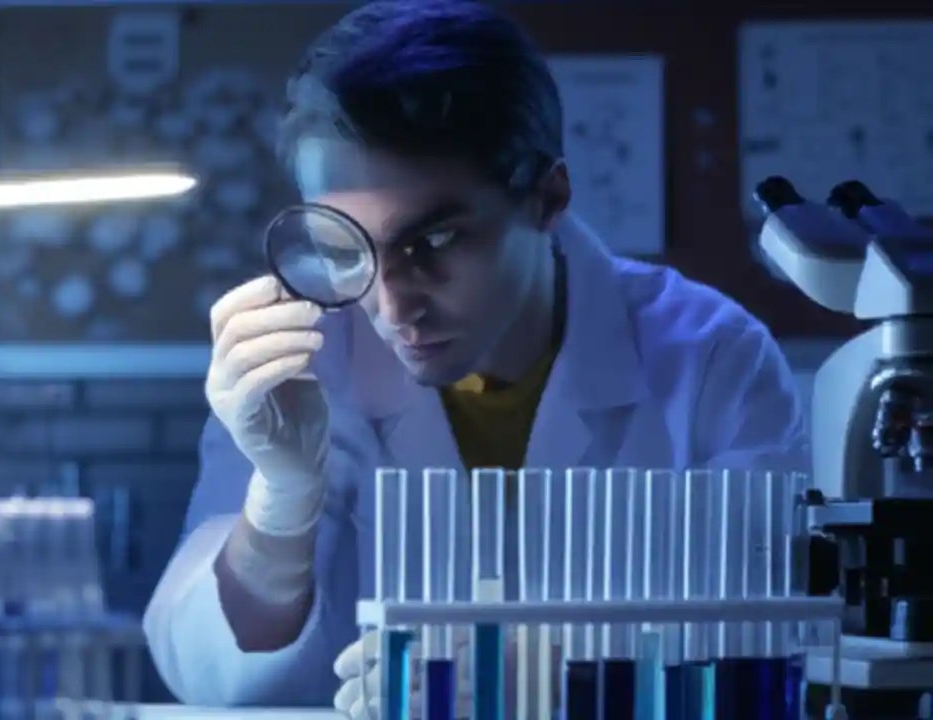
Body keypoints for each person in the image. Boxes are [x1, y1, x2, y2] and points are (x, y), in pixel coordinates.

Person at [143, 0, 809, 715]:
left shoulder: (710, 358)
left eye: (433, 242)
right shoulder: (308, 355)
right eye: (346, 248)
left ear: (546, 198)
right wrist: (280, 503)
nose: (391, 304)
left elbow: (774, 650)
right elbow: (208, 677)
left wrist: (547, 679)